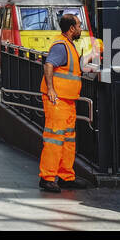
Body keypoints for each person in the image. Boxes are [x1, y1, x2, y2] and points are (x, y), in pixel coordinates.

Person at [39, 14, 88, 193]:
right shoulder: (61, 46)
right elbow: (49, 65)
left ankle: (66, 176)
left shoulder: (69, 45)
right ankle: (47, 178)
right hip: (57, 100)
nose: (81, 28)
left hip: (68, 101)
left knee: (68, 140)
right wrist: (51, 89)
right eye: (79, 25)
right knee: (54, 138)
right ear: (72, 28)